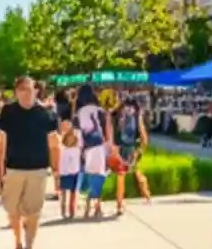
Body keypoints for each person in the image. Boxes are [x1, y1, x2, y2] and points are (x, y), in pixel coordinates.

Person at [0, 76, 57, 249]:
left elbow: (53, 143)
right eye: (22, 89)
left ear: (36, 91)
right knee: (12, 209)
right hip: (13, 167)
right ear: (16, 92)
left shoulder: (45, 113)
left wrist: (56, 169)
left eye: (30, 89)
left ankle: (29, 248)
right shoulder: (8, 112)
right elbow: (1, 141)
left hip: (38, 168)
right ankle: (18, 242)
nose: (26, 92)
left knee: (34, 211)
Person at [74, 85, 110, 219]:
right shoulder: (99, 110)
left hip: (86, 146)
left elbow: (77, 133)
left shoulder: (78, 113)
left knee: (89, 176)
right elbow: (105, 129)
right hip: (99, 145)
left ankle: (87, 208)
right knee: (99, 176)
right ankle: (97, 207)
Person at [111, 99, 151, 215]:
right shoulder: (135, 112)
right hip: (131, 147)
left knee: (123, 175)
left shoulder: (118, 112)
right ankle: (147, 196)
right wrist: (143, 143)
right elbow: (141, 129)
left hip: (122, 147)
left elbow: (113, 128)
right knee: (135, 171)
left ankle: (120, 205)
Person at [56, 117, 82, 219]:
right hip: (70, 169)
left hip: (68, 170)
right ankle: (70, 211)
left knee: (67, 192)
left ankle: (68, 211)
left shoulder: (72, 139)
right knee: (70, 192)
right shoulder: (64, 141)